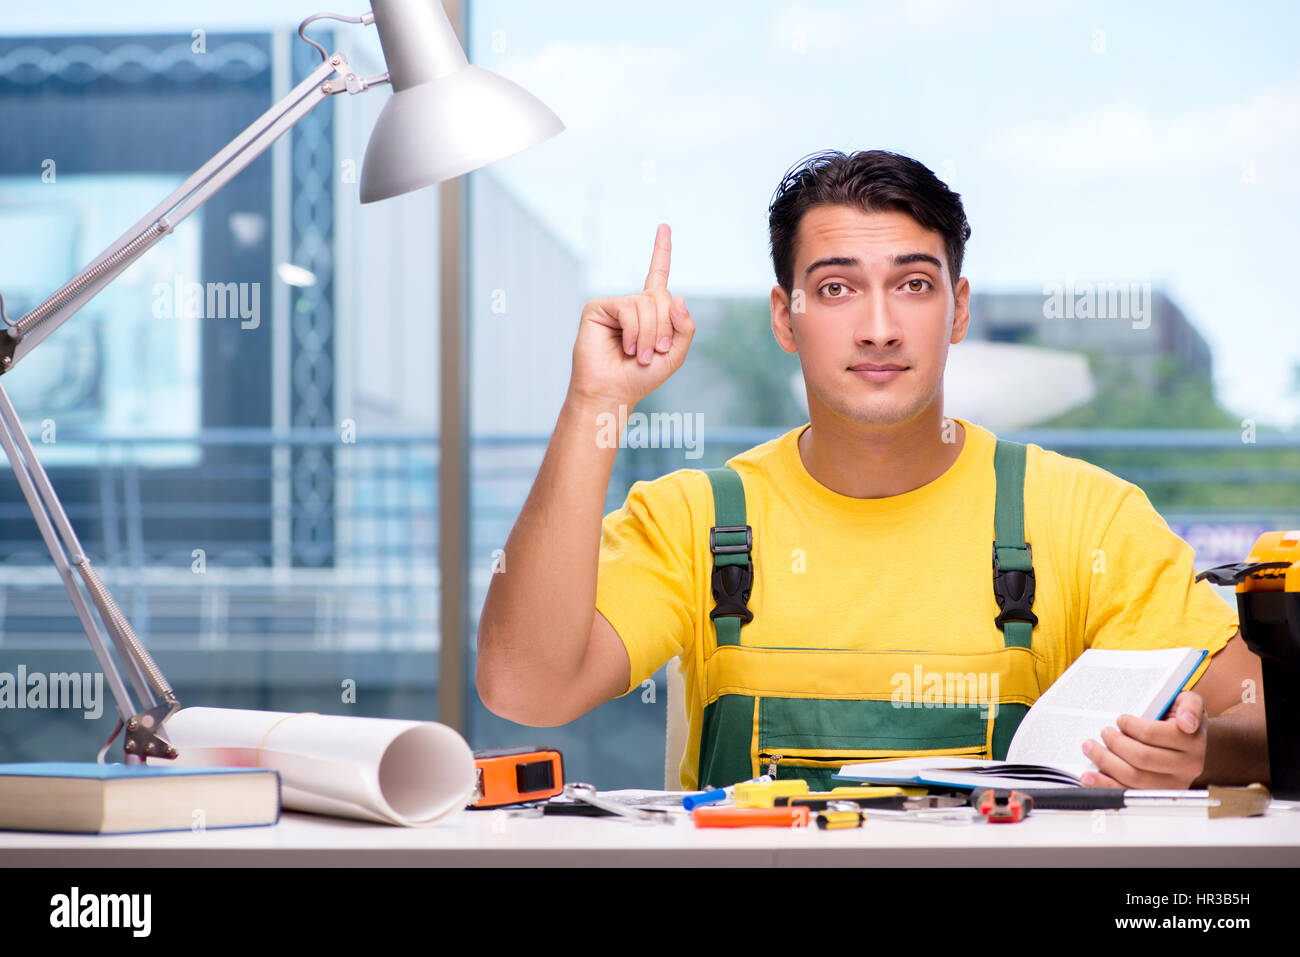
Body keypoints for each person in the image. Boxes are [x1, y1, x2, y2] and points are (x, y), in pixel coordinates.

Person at [476, 148, 1268, 792]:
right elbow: (525, 687)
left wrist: (1203, 755)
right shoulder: (699, 521)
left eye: (913, 285)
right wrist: (595, 402)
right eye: (838, 288)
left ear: (957, 309)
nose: (880, 328)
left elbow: (1266, 719)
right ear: (787, 318)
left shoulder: (1083, 519)